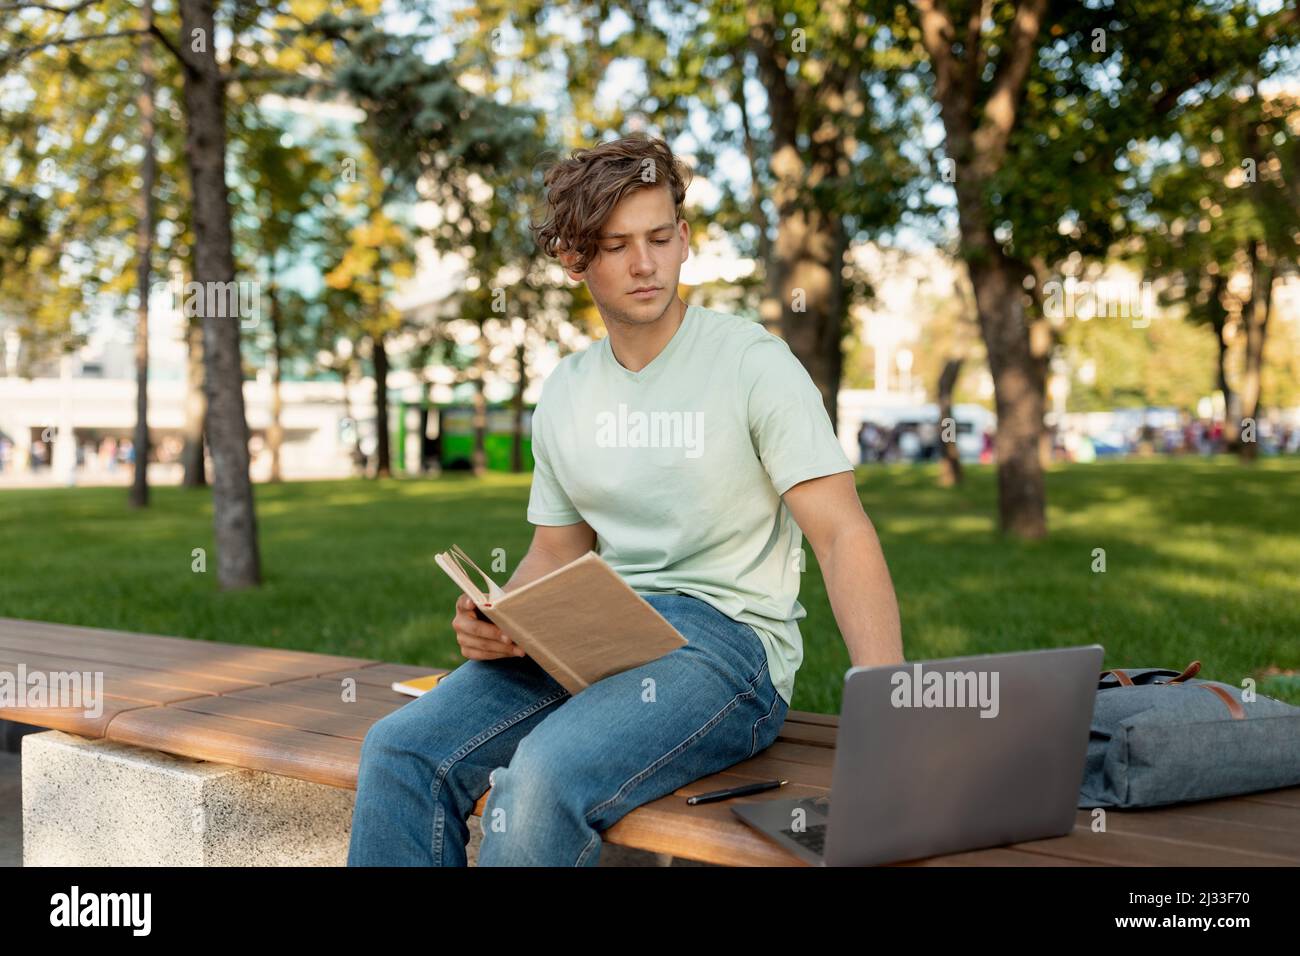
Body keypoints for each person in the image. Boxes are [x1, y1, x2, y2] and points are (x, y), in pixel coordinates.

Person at [347, 133, 905, 867]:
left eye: (660, 237)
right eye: (615, 245)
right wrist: (500, 617)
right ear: (575, 259)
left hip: (726, 648)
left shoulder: (752, 365)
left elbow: (841, 535)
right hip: (594, 635)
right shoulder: (569, 391)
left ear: (684, 239)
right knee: (400, 747)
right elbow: (555, 551)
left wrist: (889, 709)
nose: (645, 265)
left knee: (542, 776)